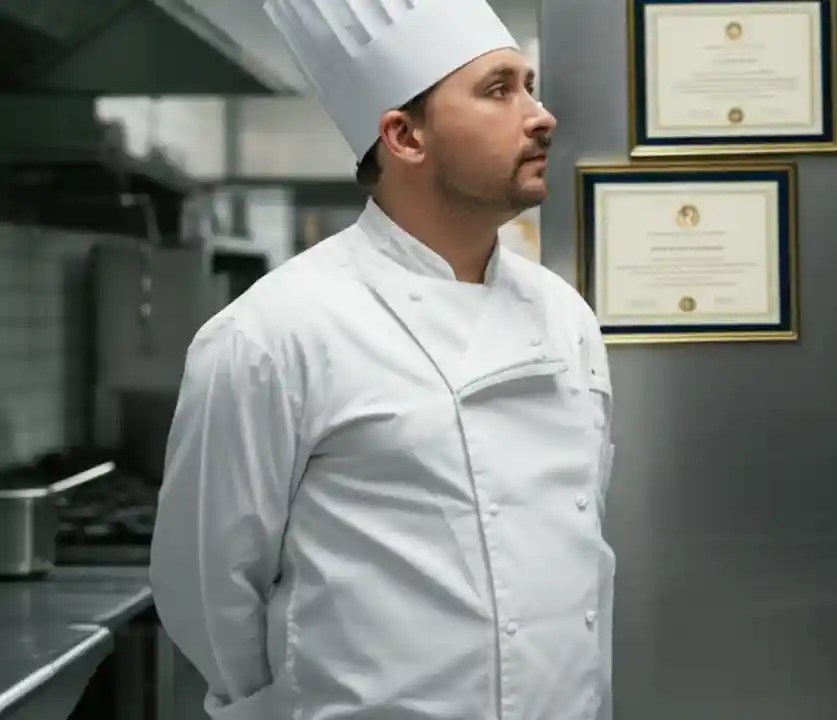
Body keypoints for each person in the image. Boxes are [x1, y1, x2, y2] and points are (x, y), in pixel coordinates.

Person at [147, 1, 617, 718]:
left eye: (530, 86)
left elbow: (584, 550)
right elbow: (206, 590)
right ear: (403, 136)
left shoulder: (566, 317)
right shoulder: (272, 334)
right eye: (499, 90)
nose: (541, 116)